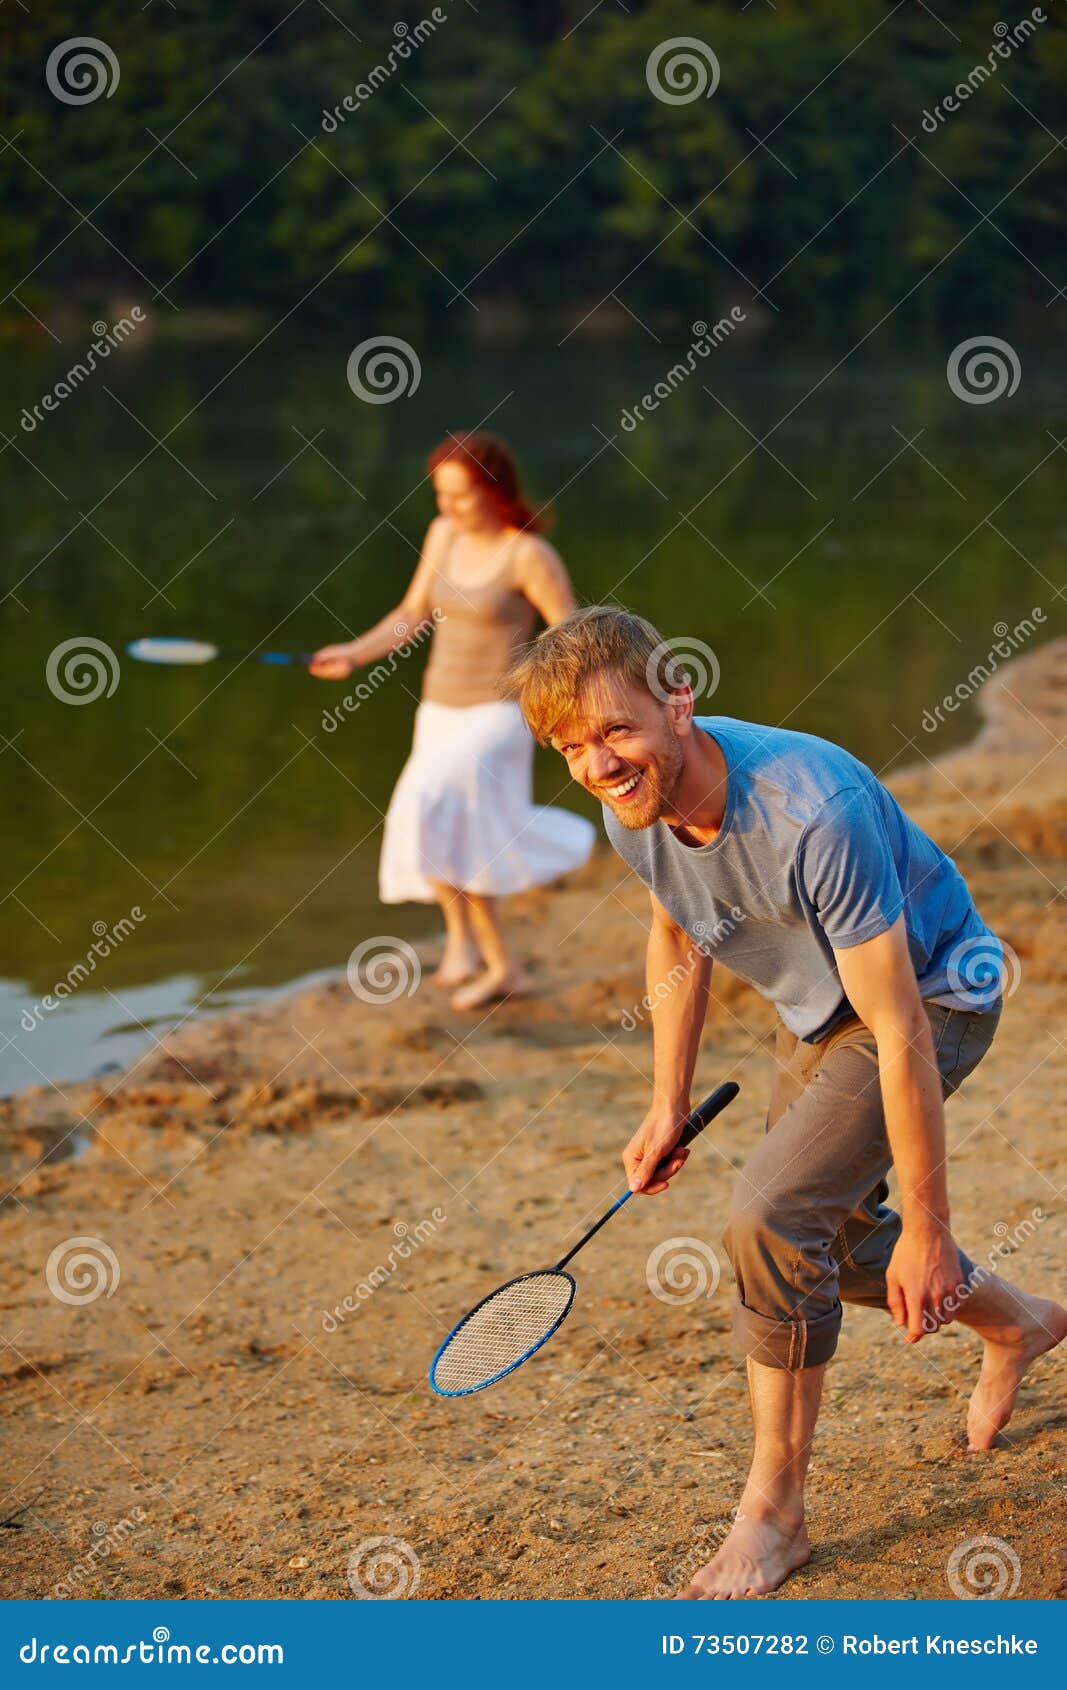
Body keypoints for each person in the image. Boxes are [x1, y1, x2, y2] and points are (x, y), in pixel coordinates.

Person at [503, 604, 1067, 1598]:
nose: (596, 763)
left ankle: (773, 1513)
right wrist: (663, 1102)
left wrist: (931, 1229)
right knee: (822, 1237)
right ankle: (1018, 1319)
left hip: (928, 993)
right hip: (817, 1002)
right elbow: (678, 937)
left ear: (678, 699)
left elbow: (898, 1034)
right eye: (569, 747)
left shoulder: (813, 810)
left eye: (615, 730)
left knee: (767, 1220)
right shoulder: (625, 803)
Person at [310, 433, 595, 1012]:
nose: (448, 509)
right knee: (432, 823)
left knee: (437, 812)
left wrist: (562, 711)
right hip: (438, 708)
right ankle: (462, 946)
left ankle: (502, 965)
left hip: (497, 714)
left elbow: (571, 637)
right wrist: (355, 654)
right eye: (441, 496)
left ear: (495, 490)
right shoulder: (442, 534)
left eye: (461, 496)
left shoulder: (527, 555)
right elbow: (413, 613)